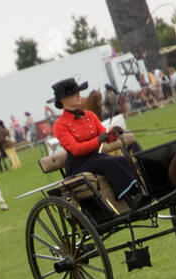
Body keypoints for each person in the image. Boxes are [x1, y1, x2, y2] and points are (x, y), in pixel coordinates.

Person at [51, 77, 142, 207]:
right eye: (73, 94)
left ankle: (138, 192)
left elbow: (106, 136)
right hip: (78, 164)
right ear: (62, 100)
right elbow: (76, 149)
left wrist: (113, 133)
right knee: (109, 162)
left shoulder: (89, 115)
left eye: (78, 92)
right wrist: (98, 140)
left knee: (122, 159)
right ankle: (130, 198)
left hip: (95, 158)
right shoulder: (60, 125)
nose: (78, 95)